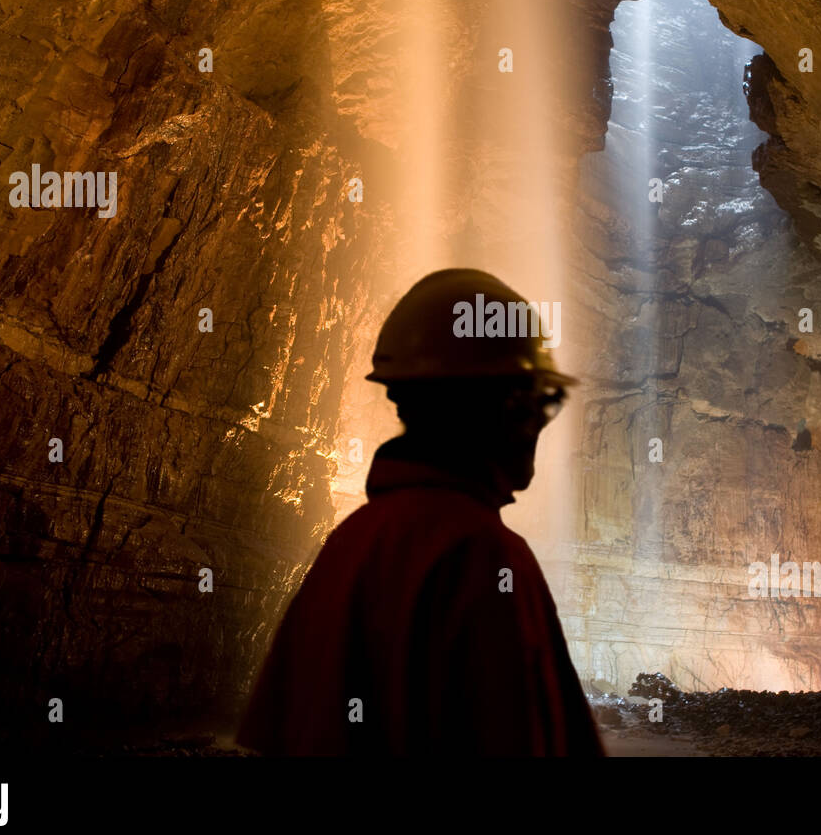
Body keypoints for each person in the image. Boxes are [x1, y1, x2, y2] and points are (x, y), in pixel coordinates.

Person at [237, 269, 604, 756]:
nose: (541, 423)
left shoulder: (351, 542)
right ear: (506, 407)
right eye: (539, 401)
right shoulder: (483, 555)